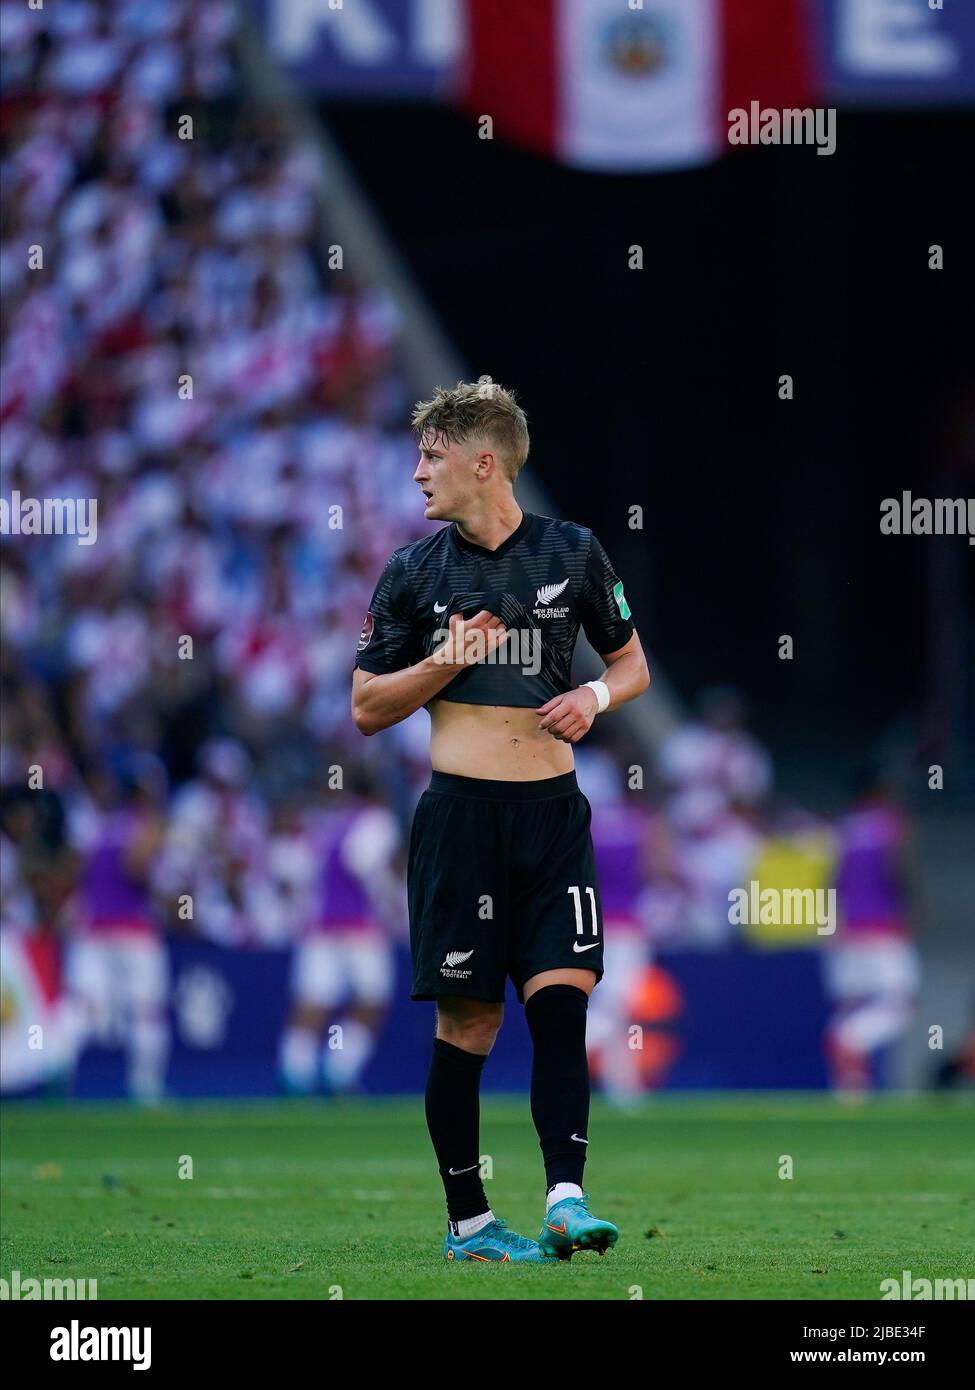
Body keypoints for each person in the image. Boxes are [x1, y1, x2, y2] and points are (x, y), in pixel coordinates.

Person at [351, 380, 651, 1262]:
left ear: (484, 463)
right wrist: (446, 658)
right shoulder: (414, 571)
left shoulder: (574, 552)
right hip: (460, 822)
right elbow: (367, 707)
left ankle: (565, 1198)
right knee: (469, 1027)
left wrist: (592, 695)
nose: (417, 476)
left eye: (431, 458)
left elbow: (632, 663)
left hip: (552, 817)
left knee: (561, 1008)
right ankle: (471, 1225)